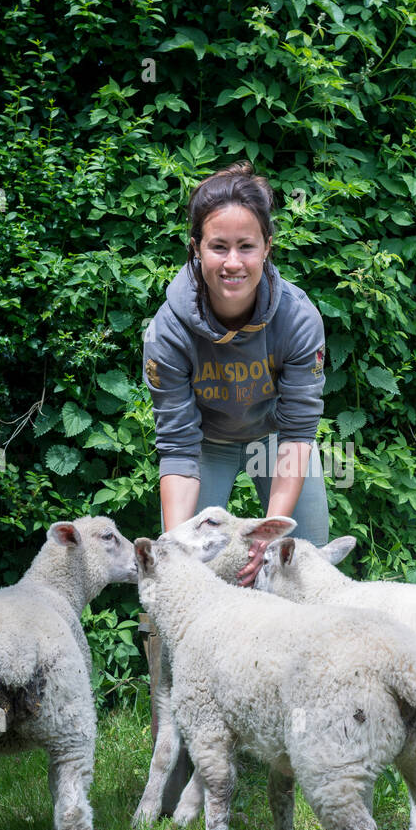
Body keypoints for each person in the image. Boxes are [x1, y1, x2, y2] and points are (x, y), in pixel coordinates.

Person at [142, 160, 330, 581]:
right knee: (182, 568)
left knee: (302, 564)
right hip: (204, 445)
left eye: (246, 246)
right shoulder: (167, 332)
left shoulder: (298, 320)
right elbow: (176, 444)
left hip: (276, 437)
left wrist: (267, 539)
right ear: (195, 247)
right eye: (218, 246)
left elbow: (299, 432)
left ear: (267, 246)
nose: (232, 262)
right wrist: (176, 545)